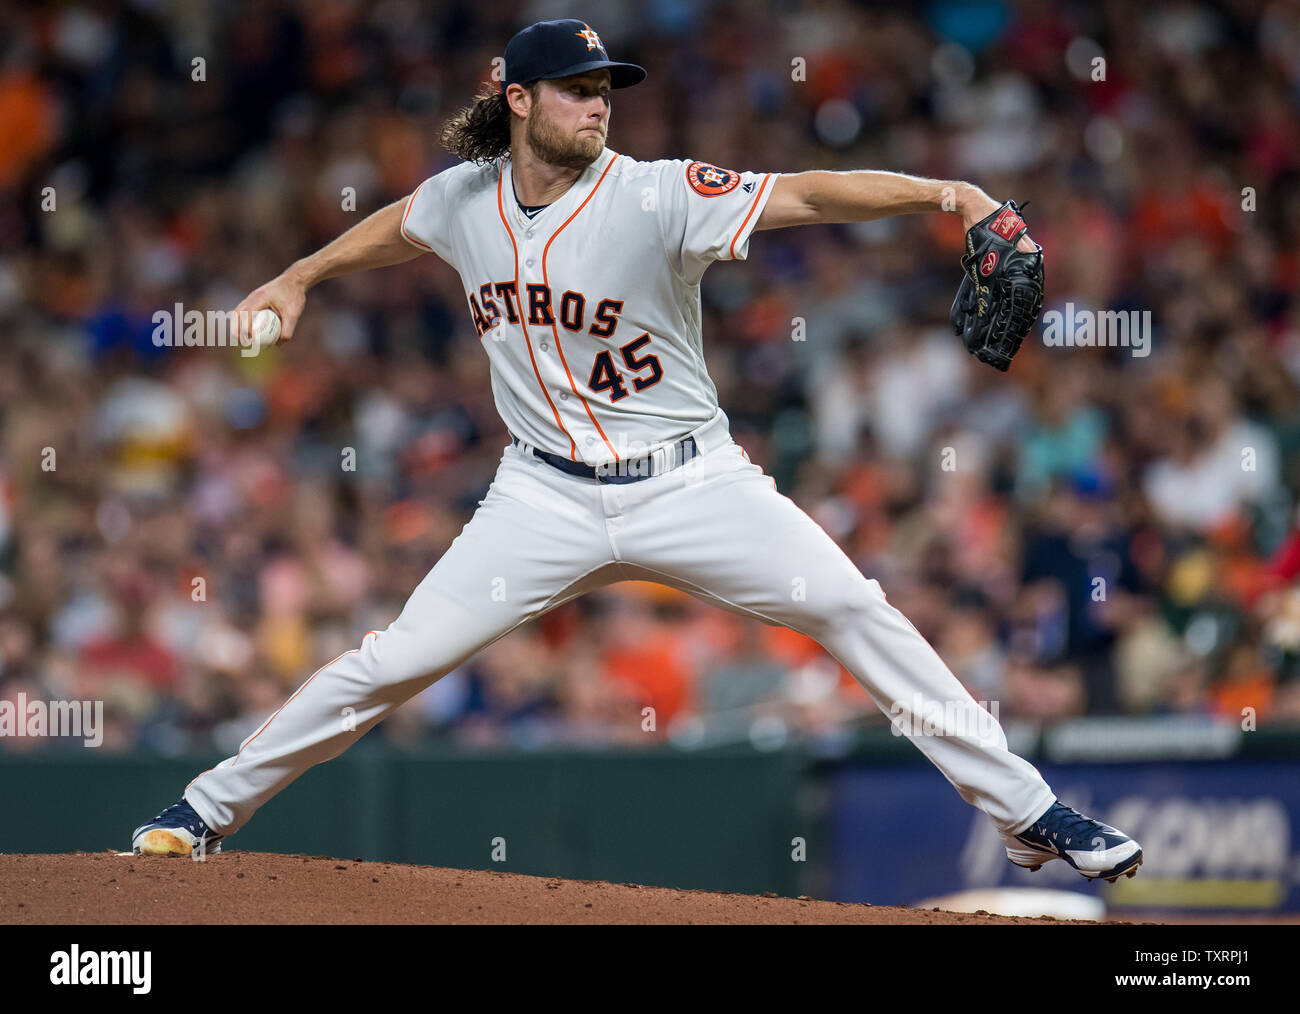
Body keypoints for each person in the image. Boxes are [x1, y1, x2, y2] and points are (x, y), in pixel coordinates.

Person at [133, 19, 1142, 885]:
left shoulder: (659, 194)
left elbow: (808, 193)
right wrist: (299, 278)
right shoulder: (460, 199)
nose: (599, 105)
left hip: (691, 483)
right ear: (518, 100)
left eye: (606, 89)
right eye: (577, 91)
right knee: (391, 662)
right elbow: (396, 228)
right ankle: (201, 813)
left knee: (848, 606)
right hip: (540, 498)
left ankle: (1028, 811)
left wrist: (944, 194)